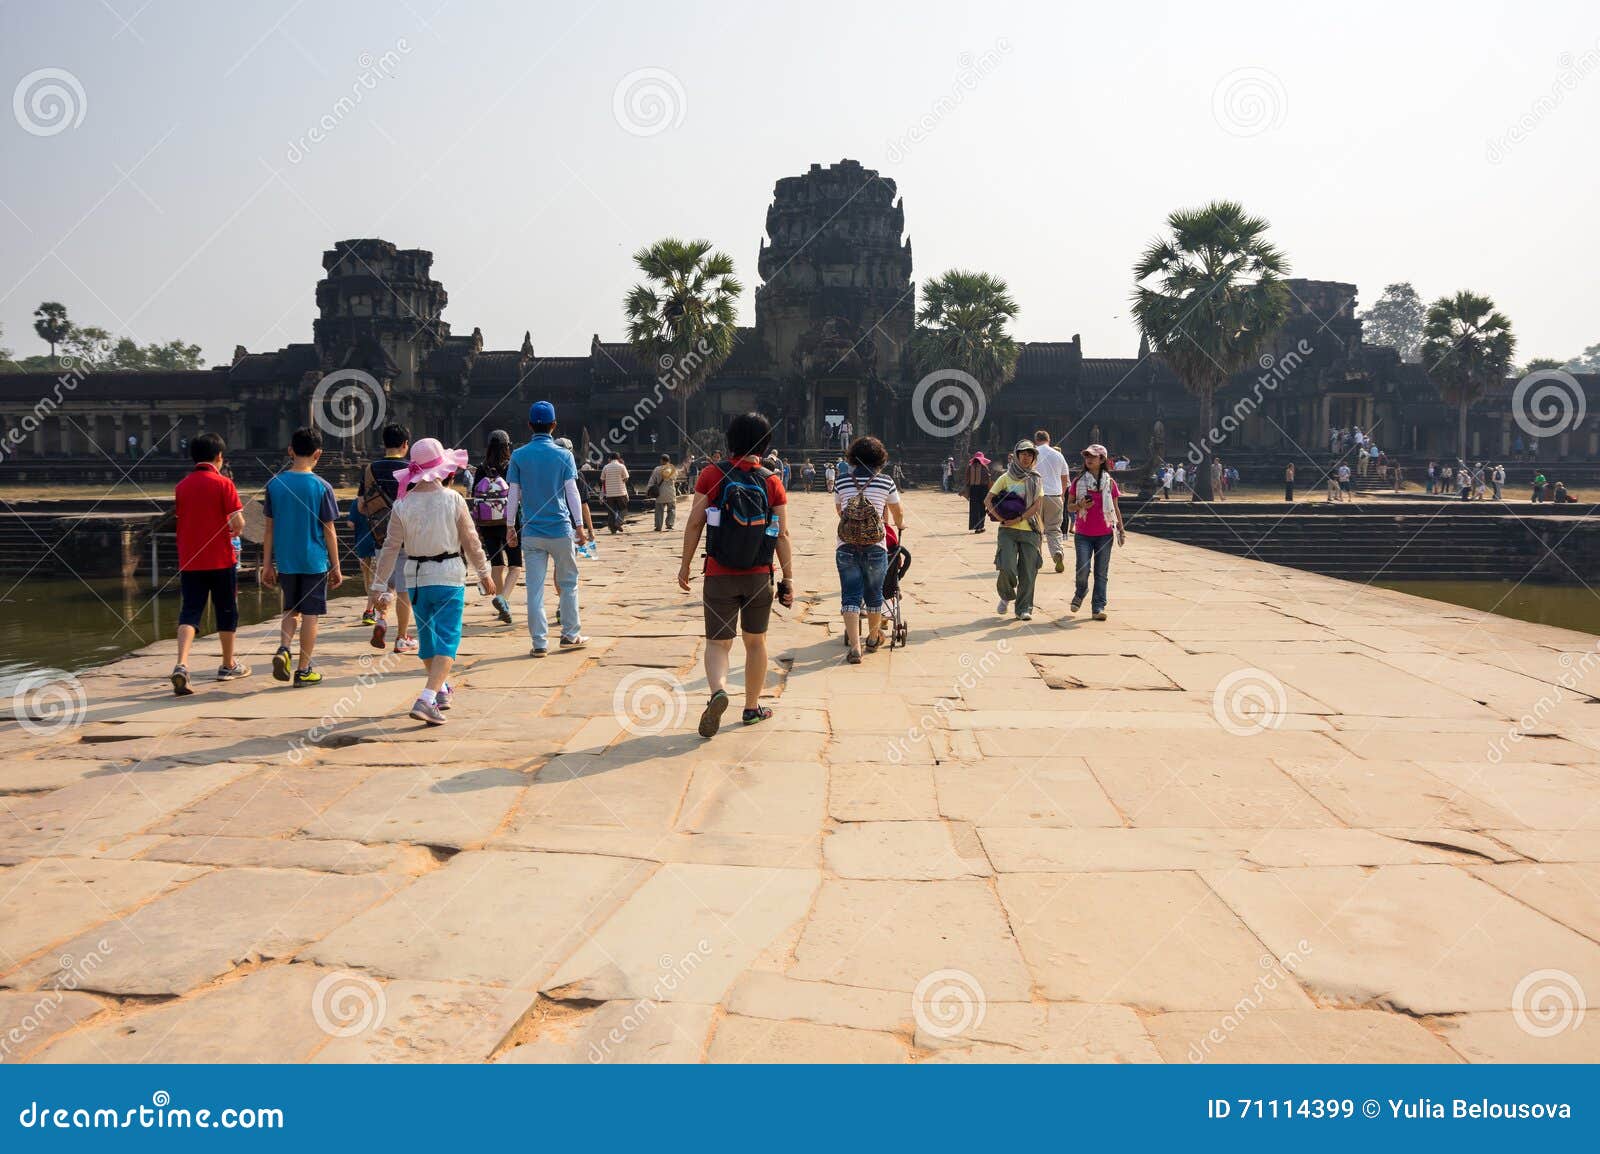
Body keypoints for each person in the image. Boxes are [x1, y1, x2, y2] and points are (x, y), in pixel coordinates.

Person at [678, 412, 794, 737]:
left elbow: (694, 522)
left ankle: (718, 691)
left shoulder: (711, 475)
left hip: (719, 572)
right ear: (766, 444)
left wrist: (685, 564)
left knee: (718, 643)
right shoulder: (772, 481)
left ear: (729, 440)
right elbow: (782, 534)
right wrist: (789, 577)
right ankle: (752, 707)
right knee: (755, 642)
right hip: (759, 573)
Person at [369, 438, 497, 726]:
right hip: (448, 576)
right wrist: (484, 572)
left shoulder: (403, 504)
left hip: (415, 580)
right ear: (443, 470)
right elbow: (471, 541)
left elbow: (390, 547)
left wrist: (378, 587)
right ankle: (426, 698)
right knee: (448, 641)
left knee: (428, 641)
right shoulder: (453, 500)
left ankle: (441, 689)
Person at [505, 401, 590, 656]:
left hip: (531, 532)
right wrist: (580, 526)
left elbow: (513, 495)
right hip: (561, 529)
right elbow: (572, 493)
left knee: (535, 589)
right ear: (554, 425)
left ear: (530, 425)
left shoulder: (519, 456)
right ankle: (570, 634)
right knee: (568, 584)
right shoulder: (564, 455)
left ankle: (539, 642)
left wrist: (510, 526)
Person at [261, 426, 342, 686]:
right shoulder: (322, 486)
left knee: (290, 609)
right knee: (310, 615)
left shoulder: (274, 484)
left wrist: (267, 565)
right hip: (314, 559)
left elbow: (269, 529)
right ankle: (304, 668)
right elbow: (329, 530)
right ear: (318, 454)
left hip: (286, 559)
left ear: (290, 451)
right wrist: (336, 566)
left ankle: (284, 648)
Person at [169, 432, 249, 695]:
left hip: (190, 560)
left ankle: (181, 664)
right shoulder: (224, 483)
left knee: (190, 611)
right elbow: (237, 522)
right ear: (219, 457)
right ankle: (227, 665)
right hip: (220, 558)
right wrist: (236, 529)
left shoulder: (182, 486)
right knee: (226, 610)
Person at [834, 435, 904, 661]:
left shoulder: (842, 480)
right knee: (874, 595)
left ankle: (855, 647)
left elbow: (840, 511)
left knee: (850, 595)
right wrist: (899, 524)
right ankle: (873, 638)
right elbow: (897, 512)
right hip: (875, 546)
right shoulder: (886, 481)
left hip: (846, 545)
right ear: (879, 458)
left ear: (853, 457)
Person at [357, 424, 417, 654]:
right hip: (407, 538)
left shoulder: (371, 469)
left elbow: (362, 505)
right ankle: (401, 637)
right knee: (403, 590)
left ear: (384, 443)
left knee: (387, 583)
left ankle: (381, 619)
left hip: (381, 536)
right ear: (405, 445)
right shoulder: (412, 470)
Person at [986, 439, 1045, 621]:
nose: (1026, 457)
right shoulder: (1006, 477)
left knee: (1028, 571)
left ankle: (1023, 609)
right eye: (1023, 453)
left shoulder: (1035, 478)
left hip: (1030, 529)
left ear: (1034, 457)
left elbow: (1037, 505)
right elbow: (988, 500)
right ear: (1016, 455)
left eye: (1030, 454)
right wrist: (1003, 519)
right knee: (1007, 567)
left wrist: (1019, 519)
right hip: (1007, 531)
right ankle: (1006, 595)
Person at [1068, 443, 1125, 621]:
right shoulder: (1078, 482)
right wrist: (1079, 505)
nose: (1088, 459)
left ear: (1102, 460)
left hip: (1104, 533)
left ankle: (1098, 607)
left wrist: (1121, 529)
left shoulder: (1110, 483)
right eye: (1086, 456)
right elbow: (1068, 506)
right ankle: (1081, 591)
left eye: (1092, 456)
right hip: (1083, 533)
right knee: (1082, 569)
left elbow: (1115, 508)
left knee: (1101, 572)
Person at [471, 429, 521, 625]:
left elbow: (475, 496)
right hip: (510, 521)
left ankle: (502, 606)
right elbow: (518, 494)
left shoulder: (482, 469)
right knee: (515, 565)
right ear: (507, 447)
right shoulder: (511, 467)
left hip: (487, 523)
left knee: (497, 565)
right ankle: (503, 599)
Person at [1031, 430, 1071, 573]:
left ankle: (1036, 558)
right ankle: (1057, 552)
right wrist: (1062, 495)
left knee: (1036, 530)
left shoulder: (1031, 453)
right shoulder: (1058, 455)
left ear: (1036, 440)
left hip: (1036, 497)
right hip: (1055, 496)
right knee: (1054, 529)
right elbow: (1065, 478)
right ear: (1049, 439)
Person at [646, 453, 679, 532]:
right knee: (671, 509)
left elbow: (652, 481)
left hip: (659, 493)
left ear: (661, 460)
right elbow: (675, 479)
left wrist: (647, 491)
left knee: (659, 511)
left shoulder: (657, 469)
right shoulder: (673, 469)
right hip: (670, 492)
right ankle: (669, 525)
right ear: (669, 460)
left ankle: (658, 526)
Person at [599, 451, 630, 533]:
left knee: (611, 512)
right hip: (620, 492)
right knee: (623, 510)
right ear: (618, 458)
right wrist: (620, 480)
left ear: (610, 458)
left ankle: (613, 529)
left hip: (610, 494)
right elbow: (626, 478)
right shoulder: (621, 466)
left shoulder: (606, 467)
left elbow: (602, 480)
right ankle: (618, 523)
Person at [964, 451, 992, 532]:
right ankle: (980, 527)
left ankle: (975, 527)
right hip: (983, 489)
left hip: (973, 489)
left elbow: (967, 479)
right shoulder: (984, 467)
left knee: (974, 508)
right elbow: (988, 479)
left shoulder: (970, 466)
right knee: (982, 508)